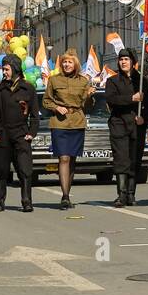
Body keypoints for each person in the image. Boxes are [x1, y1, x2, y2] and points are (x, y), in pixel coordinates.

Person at [42, 49, 94, 210]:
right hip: (59, 123)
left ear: (75, 64)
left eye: (69, 62)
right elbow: (45, 101)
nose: (66, 64)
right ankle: (64, 196)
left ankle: (68, 191)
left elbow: (88, 107)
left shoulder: (84, 81)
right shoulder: (54, 80)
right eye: (64, 62)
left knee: (72, 159)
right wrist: (57, 107)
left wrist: (90, 96)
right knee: (63, 158)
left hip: (77, 122)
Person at [105, 48, 148, 207]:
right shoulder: (113, 81)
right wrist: (131, 98)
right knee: (121, 159)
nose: (124, 62)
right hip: (119, 123)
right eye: (121, 59)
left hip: (136, 126)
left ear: (133, 62)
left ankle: (131, 194)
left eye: (127, 59)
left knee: (134, 158)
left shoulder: (142, 81)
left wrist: (144, 118)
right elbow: (111, 99)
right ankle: (121, 194)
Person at [0, 55, 38, 212]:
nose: (4, 72)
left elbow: (35, 115)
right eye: (3, 69)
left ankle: (26, 200)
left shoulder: (28, 88)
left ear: (15, 69)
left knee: (25, 169)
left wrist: (31, 133)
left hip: (21, 133)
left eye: (7, 69)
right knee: (1, 170)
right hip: (3, 133)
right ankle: (0, 200)